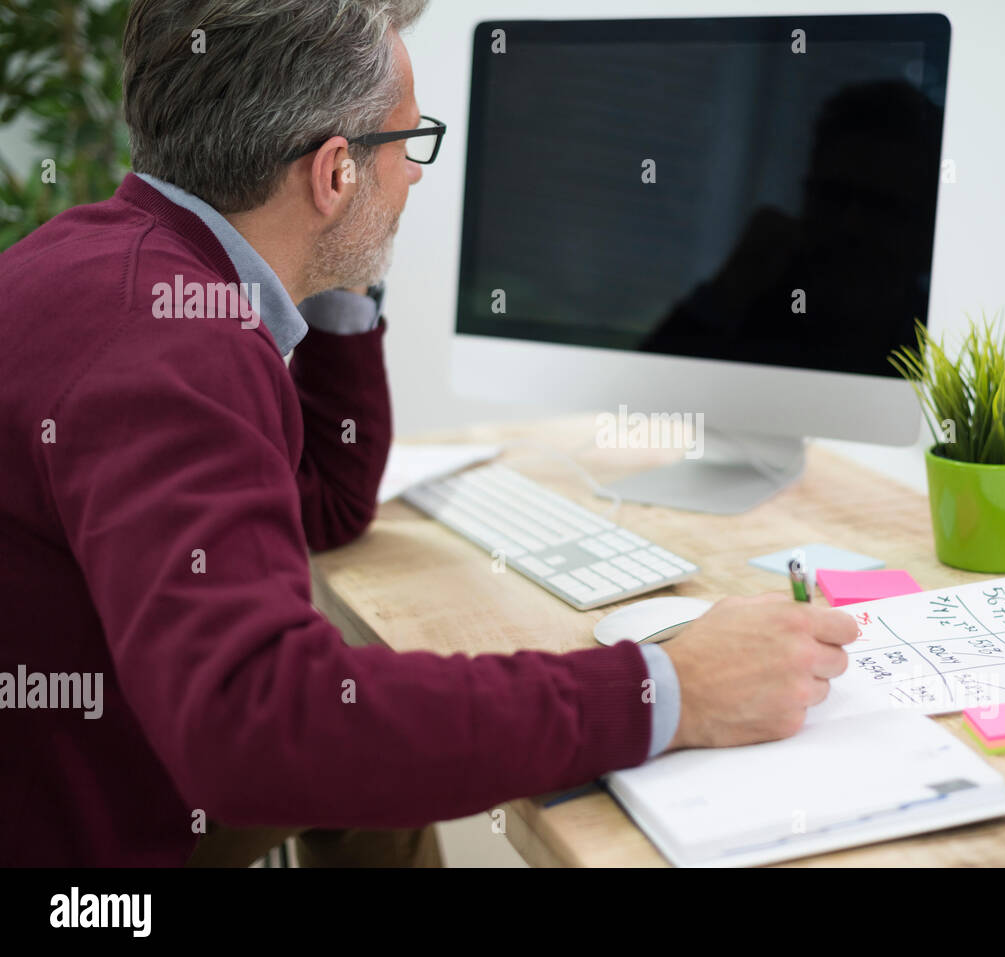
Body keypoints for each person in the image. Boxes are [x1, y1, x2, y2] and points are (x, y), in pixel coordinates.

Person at [0, 0, 854, 867]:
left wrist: (329, 262)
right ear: (334, 172)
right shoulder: (178, 349)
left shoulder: (108, 265)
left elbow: (320, 505)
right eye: (409, 143)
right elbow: (256, 726)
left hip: (83, 773)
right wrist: (669, 688)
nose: (414, 175)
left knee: (372, 798)